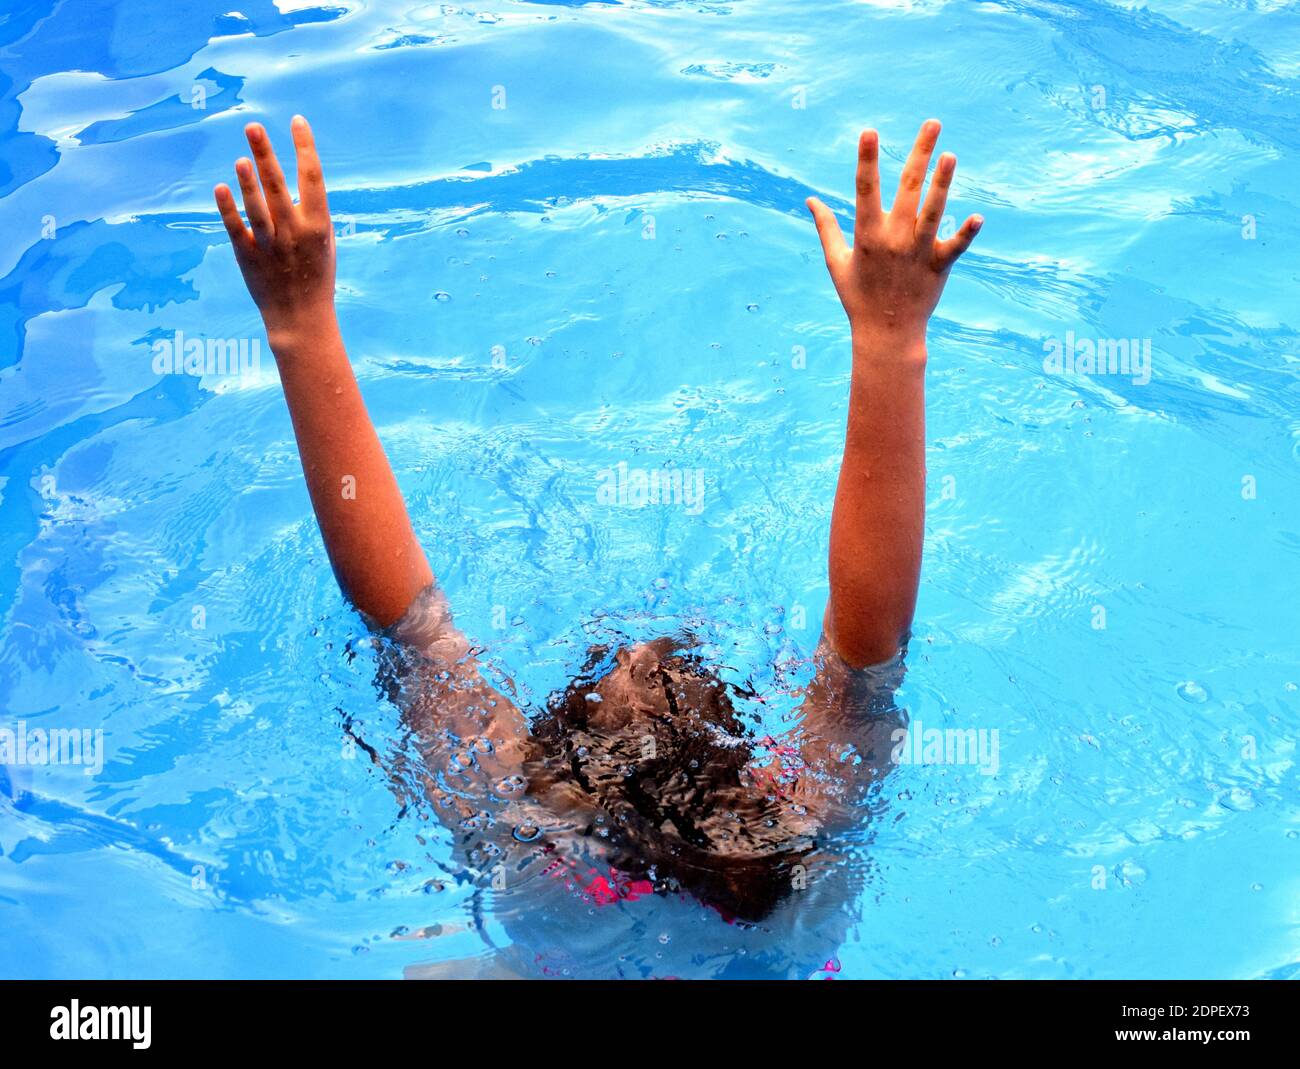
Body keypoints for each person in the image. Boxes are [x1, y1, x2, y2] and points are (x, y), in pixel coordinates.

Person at [213, 116, 982, 977]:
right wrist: (891, 335)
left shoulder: (521, 827)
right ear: (745, 769)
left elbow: (409, 624)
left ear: (548, 752)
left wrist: (297, 323)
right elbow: (865, 652)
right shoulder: (791, 853)